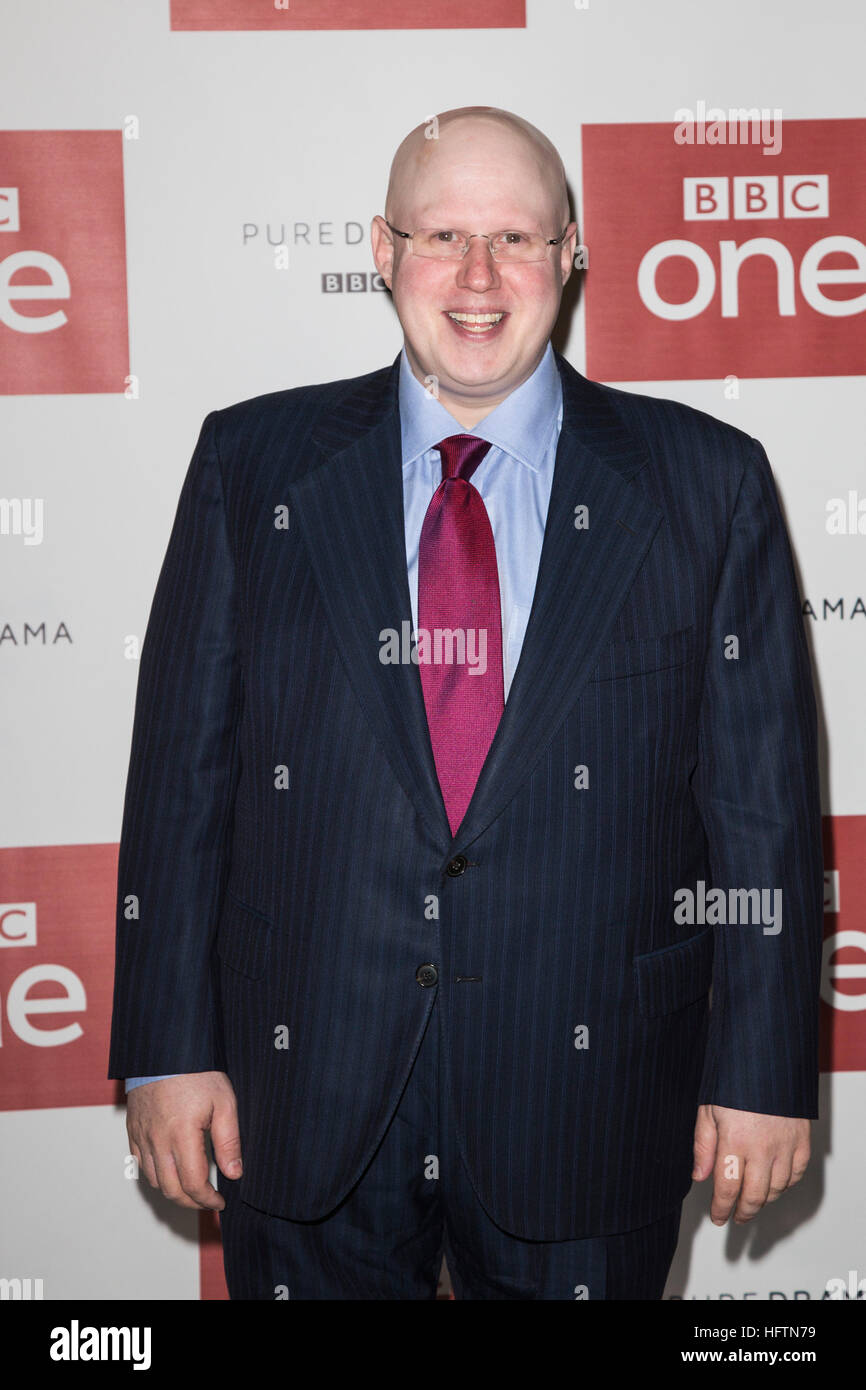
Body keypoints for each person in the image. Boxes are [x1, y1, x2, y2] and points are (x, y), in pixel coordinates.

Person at [108, 107, 823, 1300]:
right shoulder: (252, 466)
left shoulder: (706, 482)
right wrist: (164, 1049)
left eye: (516, 238)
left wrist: (760, 1069)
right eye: (442, 234)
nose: (479, 277)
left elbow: (758, 813)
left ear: (572, 251)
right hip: (302, 1091)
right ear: (380, 250)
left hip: (589, 1106)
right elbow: (182, 777)